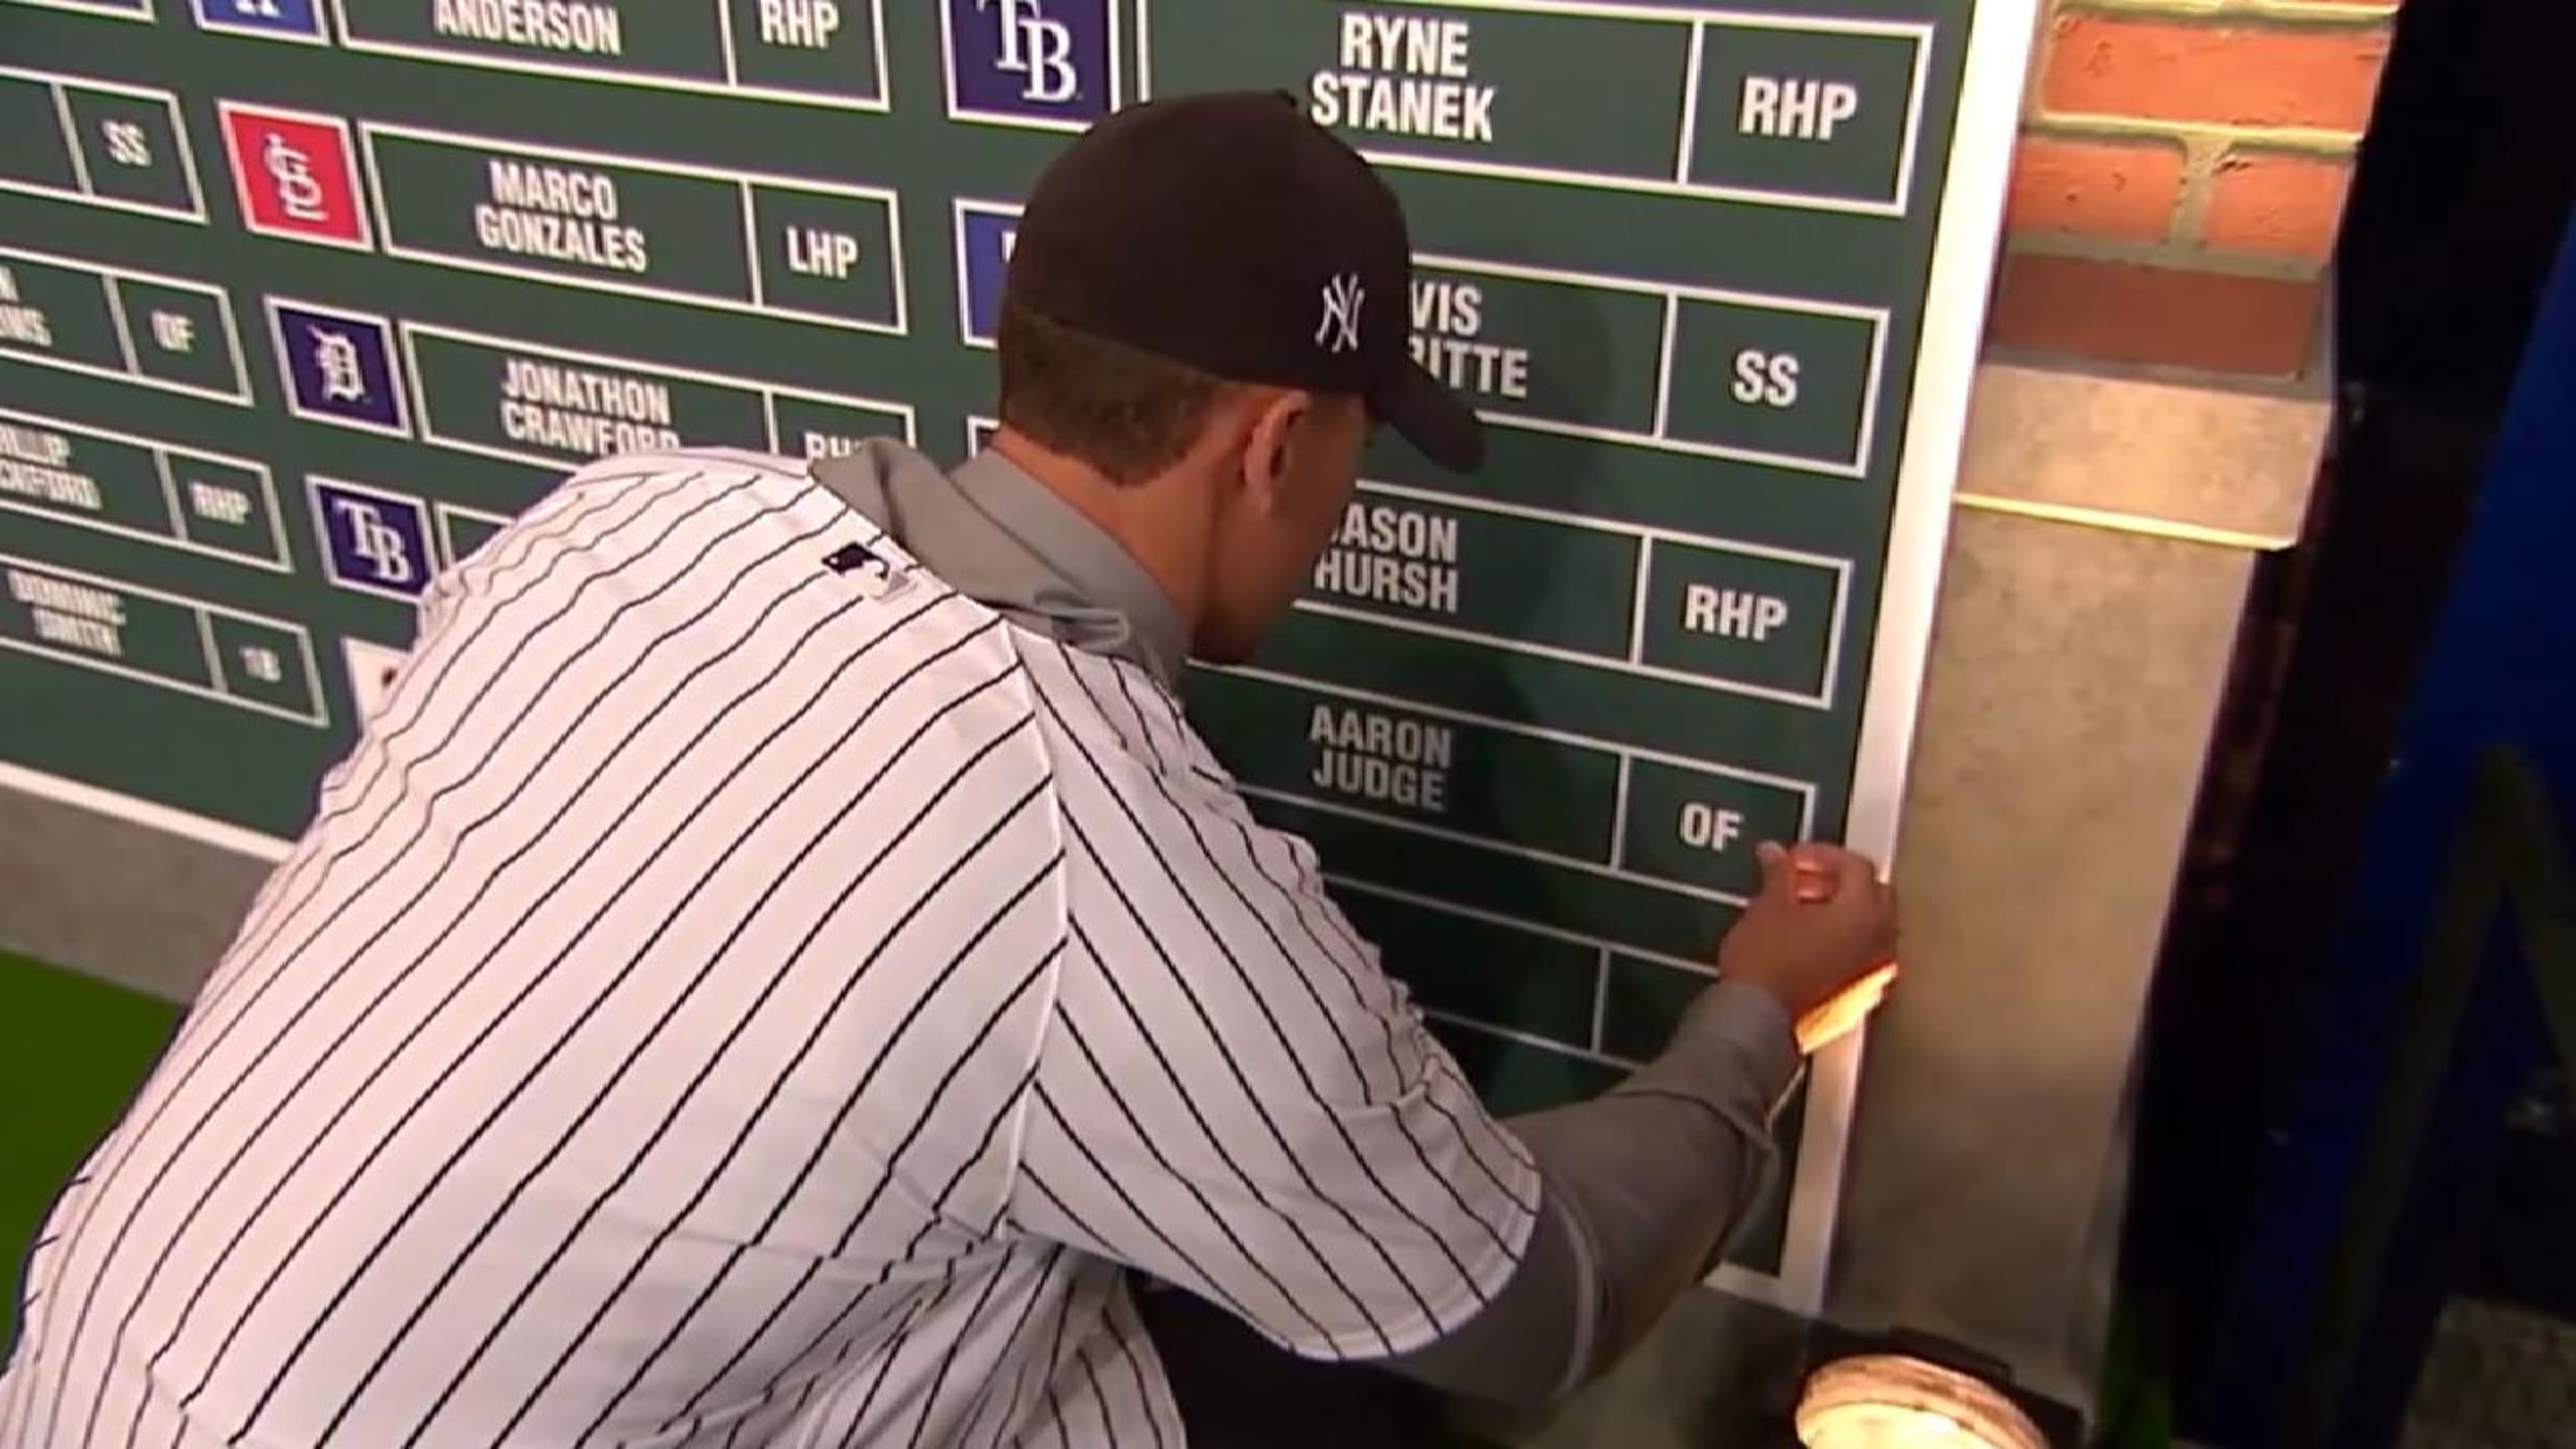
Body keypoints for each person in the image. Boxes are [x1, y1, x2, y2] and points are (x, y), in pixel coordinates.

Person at [0, 91, 1898, 1449]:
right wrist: (1755, 1022)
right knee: (1336, 1375)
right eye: (1350, 451)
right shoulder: (1101, 853)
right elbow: (1531, 1302)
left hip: (80, 1375)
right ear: (1270, 447)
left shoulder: (625, 518)